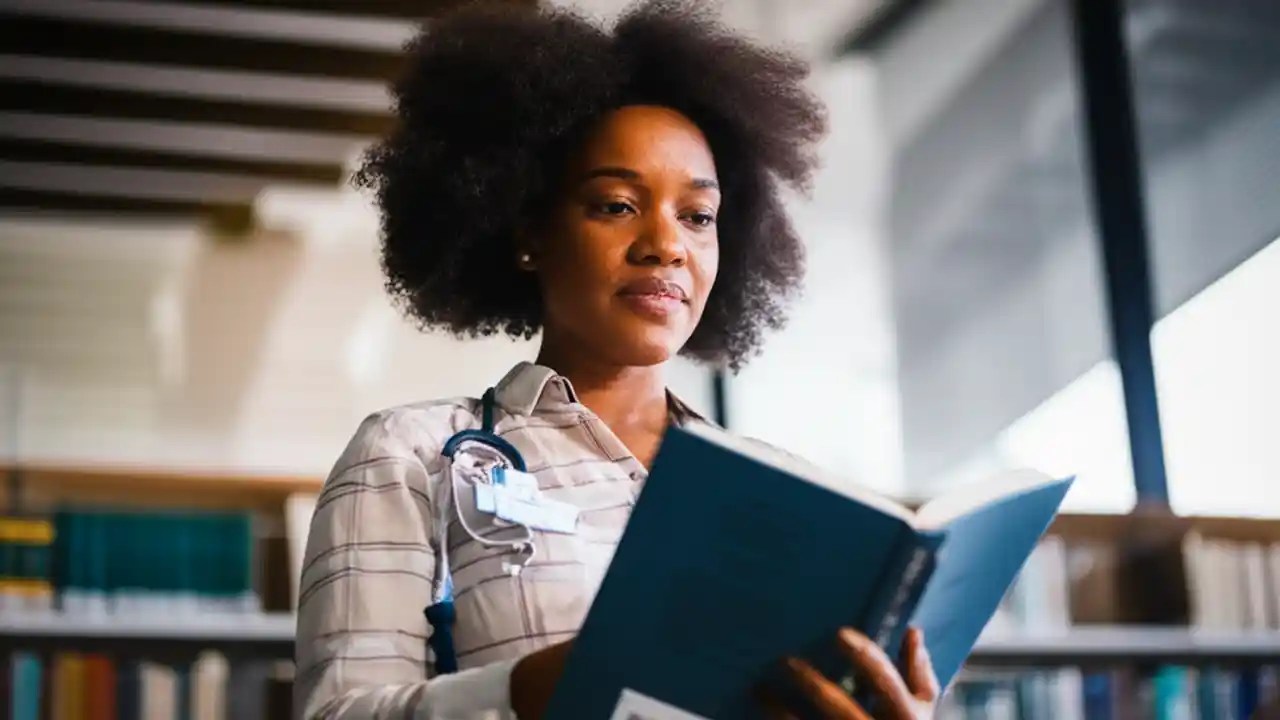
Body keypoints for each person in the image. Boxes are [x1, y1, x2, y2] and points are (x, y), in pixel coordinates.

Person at [294, 1, 939, 718]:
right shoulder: (413, 454)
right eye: (616, 205)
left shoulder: (784, 490)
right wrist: (538, 686)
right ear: (527, 230)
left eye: (697, 216)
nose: (667, 244)